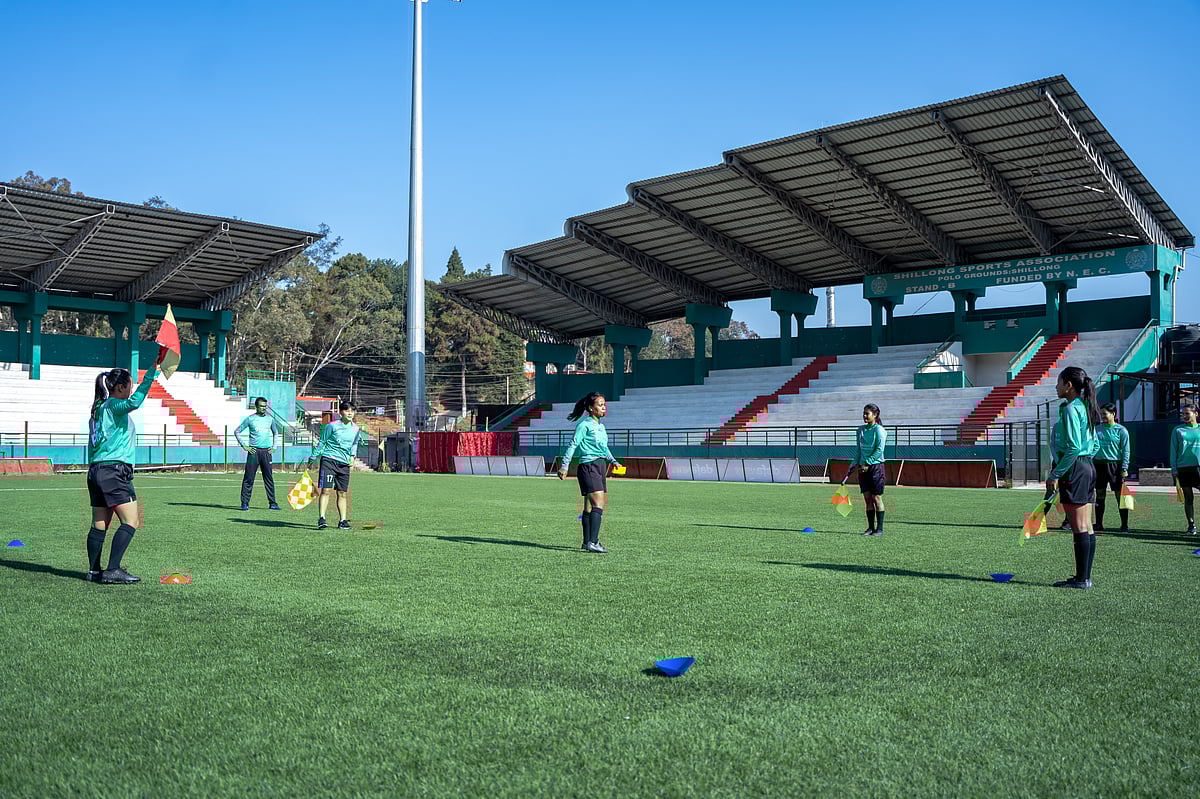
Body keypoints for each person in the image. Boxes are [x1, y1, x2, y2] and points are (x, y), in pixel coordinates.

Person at [84, 354, 162, 584]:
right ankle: (113, 569)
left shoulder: (97, 409)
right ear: (120, 387)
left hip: (96, 470)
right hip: (114, 471)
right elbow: (134, 402)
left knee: (100, 523)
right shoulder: (114, 406)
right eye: (129, 385)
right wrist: (151, 374)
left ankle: (94, 571)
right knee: (131, 521)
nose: (131, 389)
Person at [1046, 366, 1100, 589]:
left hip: (1075, 468)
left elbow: (1073, 447)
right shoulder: (1085, 407)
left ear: (1068, 386)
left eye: (1059, 382)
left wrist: (1055, 474)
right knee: (1087, 525)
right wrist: (1084, 464)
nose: (1056, 386)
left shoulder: (1070, 409)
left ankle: (1082, 580)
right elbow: (1094, 444)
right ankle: (1084, 577)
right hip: (1087, 466)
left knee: (1078, 526)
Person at [557, 392, 622, 553]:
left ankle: (587, 542)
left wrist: (613, 461)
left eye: (604, 404)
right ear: (591, 408)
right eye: (600, 405)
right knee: (598, 505)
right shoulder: (584, 425)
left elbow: (603, 448)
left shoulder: (600, 426)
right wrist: (564, 465)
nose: (603, 408)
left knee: (588, 508)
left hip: (599, 466)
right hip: (589, 466)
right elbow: (573, 444)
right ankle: (594, 541)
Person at [309, 401, 364, 530]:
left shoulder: (355, 429)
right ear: (340, 412)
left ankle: (343, 521)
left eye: (352, 410)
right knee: (326, 490)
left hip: (344, 464)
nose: (350, 413)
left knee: (342, 493)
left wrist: (352, 456)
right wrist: (313, 456)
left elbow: (354, 444)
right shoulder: (331, 426)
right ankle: (322, 518)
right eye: (347, 410)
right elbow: (322, 441)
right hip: (329, 460)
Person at [234, 397, 283, 511]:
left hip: (266, 452)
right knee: (249, 478)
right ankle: (245, 503)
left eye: (265, 406)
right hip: (254, 451)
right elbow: (237, 431)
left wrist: (274, 447)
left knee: (269, 478)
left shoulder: (270, 419)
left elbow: (276, 432)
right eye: (261, 406)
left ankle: (272, 503)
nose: (264, 408)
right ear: (256, 406)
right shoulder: (250, 419)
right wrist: (244, 446)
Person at [845, 403, 887, 536]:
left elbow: (879, 450)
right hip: (862, 468)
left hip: (875, 467)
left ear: (875, 415)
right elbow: (859, 450)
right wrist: (853, 465)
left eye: (867, 413)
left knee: (876, 498)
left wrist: (868, 463)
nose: (864, 416)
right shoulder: (860, 430)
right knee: (867, 499)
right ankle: (870, 528)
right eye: (863, 413)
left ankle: (879, 529)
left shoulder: (879, 430)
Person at [1093, 402, 1131, 533]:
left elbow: (1126, 451)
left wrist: (1124, 468)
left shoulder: (1121, 430)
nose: (1102, 416)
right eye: (1101, 414)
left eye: (1105, 414)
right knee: (1100, 494)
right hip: (1098, 466)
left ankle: (1124, 525)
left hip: (1115, 466)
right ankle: (1098, 524)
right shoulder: (1096, 429)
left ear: (1113, 414)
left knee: (1119, 496)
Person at [1169, 402, 1200, 535]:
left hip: (1199, 468)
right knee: (1188, 498)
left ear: (1196, 414)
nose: (1185, 416)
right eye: (1183, 414)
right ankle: (1191, 525)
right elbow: (1173, 451)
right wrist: (1174, 469)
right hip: (1184, 469)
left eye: (1188, 413)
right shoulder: (1178, 430)